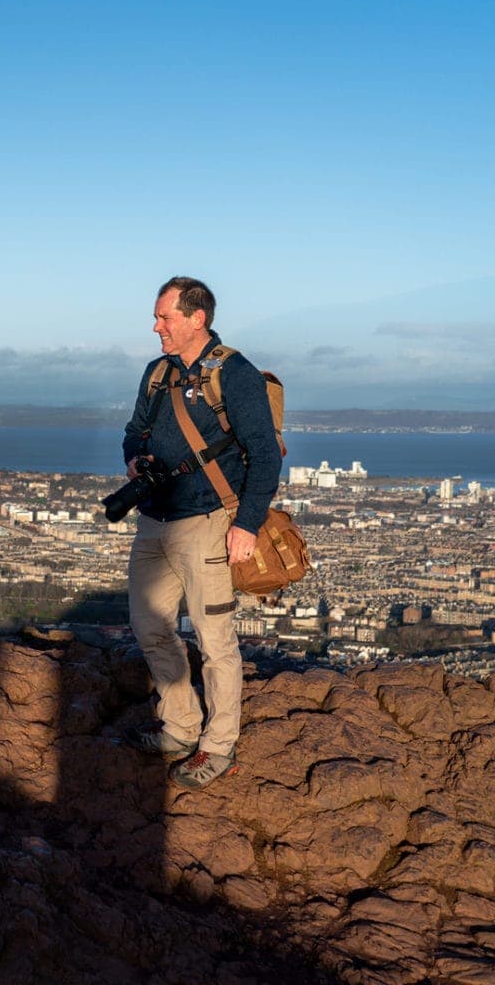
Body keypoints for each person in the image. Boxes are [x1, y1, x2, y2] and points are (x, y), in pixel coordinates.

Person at [121, 276, 281, 788]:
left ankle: (218, 745)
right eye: (157, 316)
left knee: (215, 641)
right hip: (155, 519)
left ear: (197, 318)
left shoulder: (235, 375)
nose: (156, 326)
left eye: (165, 317)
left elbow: (264, 456)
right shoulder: (157, 373)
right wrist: (134, 459)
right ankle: (180, 726)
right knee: (150, 626)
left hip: (210, 522)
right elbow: (134, 431)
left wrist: (247, 524)